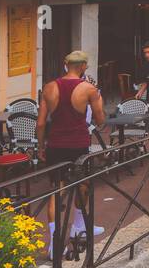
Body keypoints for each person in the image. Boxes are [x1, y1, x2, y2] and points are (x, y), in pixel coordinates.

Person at [37, 51, 106, 252]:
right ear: (83, 66)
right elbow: (100, 120)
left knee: (57, 190)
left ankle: (54, 243)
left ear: (65, 65)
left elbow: (41, 123)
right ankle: (77, 227)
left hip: (55, 144)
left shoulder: (49, 87)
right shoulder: (88, 89)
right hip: (78, 144)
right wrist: (97, 99)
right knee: (83, 185)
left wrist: (41, 146)